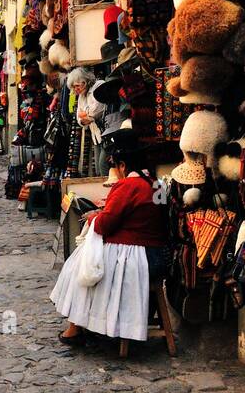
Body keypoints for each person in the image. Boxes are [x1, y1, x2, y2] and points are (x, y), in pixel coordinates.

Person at [51, 131, 168, 346]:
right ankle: (84, 324)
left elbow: (106, 224)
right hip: (159, 253)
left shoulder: (127, 186)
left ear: (123, 166)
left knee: (82, 263)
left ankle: (77, 326)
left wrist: (96, 216)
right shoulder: (157, 184)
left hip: (140, 257)